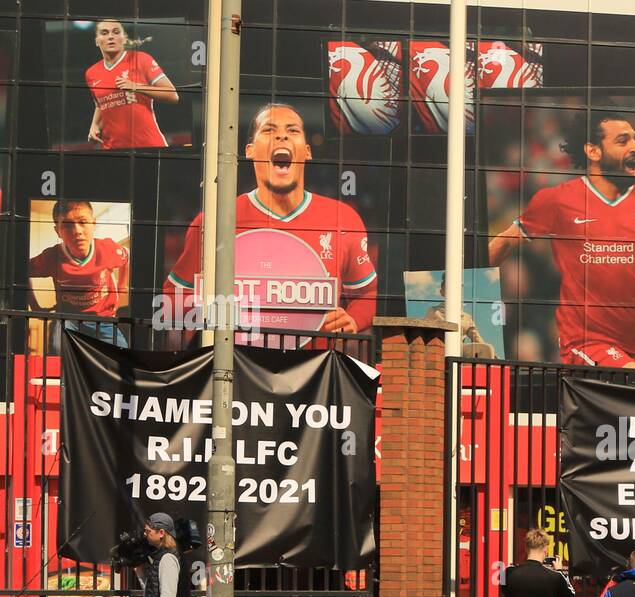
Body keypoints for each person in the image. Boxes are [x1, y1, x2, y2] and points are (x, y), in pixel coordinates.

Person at [487, 112, 635, 368]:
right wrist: (468, 285)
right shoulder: (558, 200)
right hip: (586, 343)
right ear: (593, 151)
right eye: (623, 141)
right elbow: (504, 243)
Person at [165, 103, 377, 345]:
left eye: (293, 130)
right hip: (237, 372)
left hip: (314, 374)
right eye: (269, 129)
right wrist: (214, 309)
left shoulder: (342, 218)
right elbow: (172, 298)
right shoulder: (213, 222)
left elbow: (370, 294)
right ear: (250, 150)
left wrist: (353, 318)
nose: (282, 135)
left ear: (307, 151)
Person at [27, 200, 130, 352]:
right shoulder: (52, 257)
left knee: (123, 354)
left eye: (83, 222)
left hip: (104, 320)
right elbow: (20, 271)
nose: (77, 231)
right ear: (58, 231)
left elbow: (127, 256)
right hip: (68, 319)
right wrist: (34, 306)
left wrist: (122, 287)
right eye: (67, 225)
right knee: (56, 348)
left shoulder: (107, 249)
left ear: (93, 224)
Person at [84, 19, 179, 150]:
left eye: (116, 32)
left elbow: (173, 95)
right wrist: (94, 125)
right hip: (112, 149)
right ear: (96, 40)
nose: (110, 36)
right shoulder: (91, 73)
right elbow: (100, 104)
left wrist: (136, 87)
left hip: (148, 146)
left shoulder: (141, 59)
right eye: (104, 33)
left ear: (124, 38)